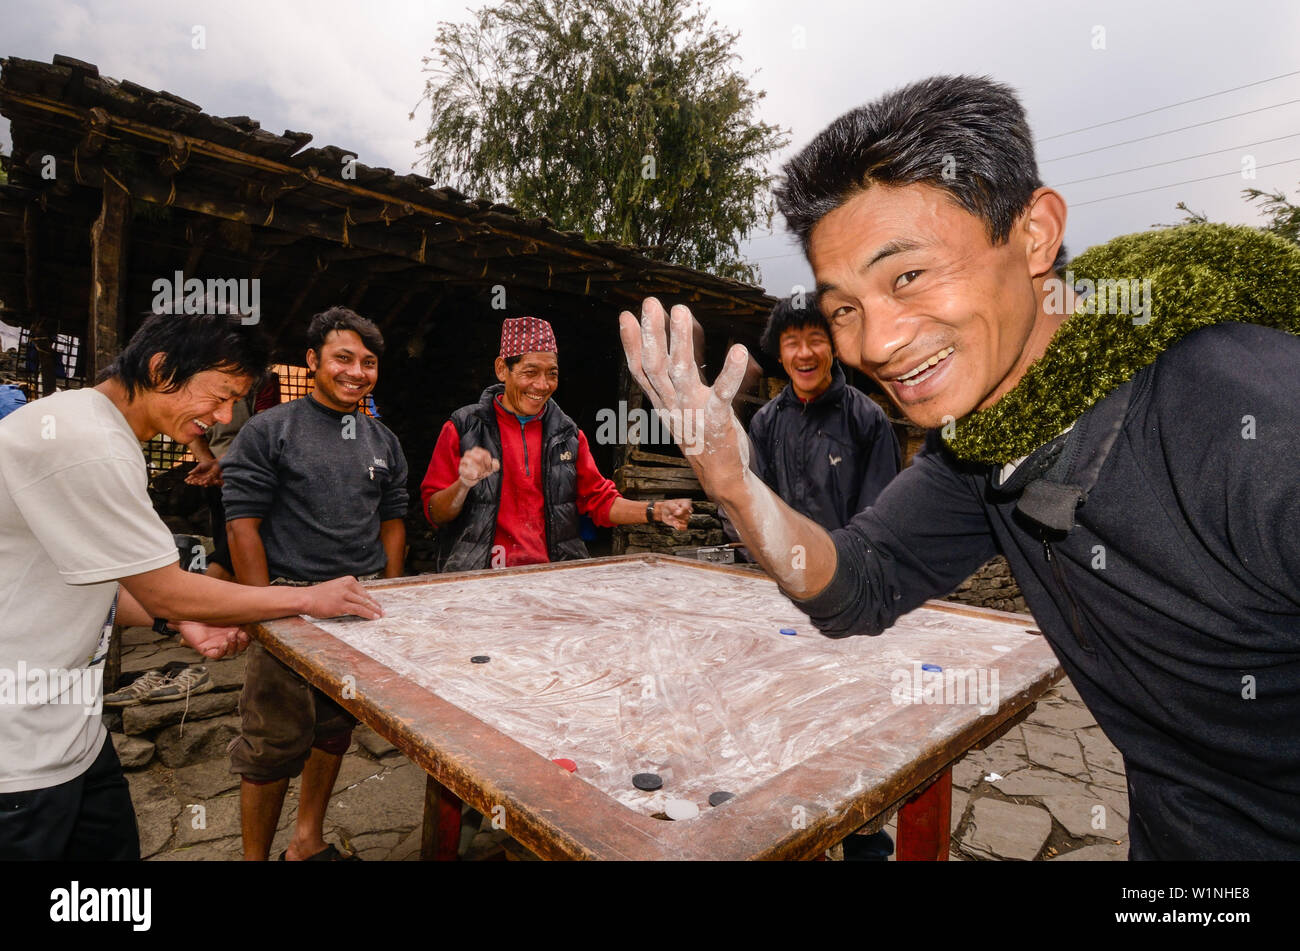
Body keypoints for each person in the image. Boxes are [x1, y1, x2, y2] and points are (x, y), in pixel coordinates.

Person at [619, 75, 1300, 860]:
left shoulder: (1250, 419)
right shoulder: (983, 445)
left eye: (907, 276)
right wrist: (737, 485)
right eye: (845, 306)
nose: (873, 343)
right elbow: (856, 582)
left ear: (1036, 232)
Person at [0, 311, 381, 861]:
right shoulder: (88, 443)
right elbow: (166, 586)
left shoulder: (97, 429)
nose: (225, 416)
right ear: (160, 369)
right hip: (17, 753)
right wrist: (305, 597)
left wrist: (173, 620)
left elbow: (93, 582)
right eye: (221, 396)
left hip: (70, 732)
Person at [223, 306, 408, 861]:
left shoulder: (384, 441)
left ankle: (307, 843)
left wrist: (390, 594)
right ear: (313, 361)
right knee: (271, 746)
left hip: (356, 611)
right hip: (287, 606)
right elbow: (241, 525)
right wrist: (263, 616)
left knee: (333, 731)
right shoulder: (269, 430)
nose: (357, 372)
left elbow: (393, 522)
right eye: (343, 358)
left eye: (368, 362)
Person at [728, 297, 901, 860]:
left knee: (854, 748)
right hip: (782, 612)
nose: (804, 353)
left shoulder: (865, 420)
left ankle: (863, 843)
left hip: (851, 612)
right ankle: (792, 838)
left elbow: (879, 526)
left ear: (834, 345)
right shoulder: (766, 422)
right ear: (779, 353)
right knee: (783, 737)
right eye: (791, 342)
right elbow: (757, 512)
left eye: (815, 339)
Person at [422, 315, 692, 571]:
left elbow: (600, 500)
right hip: (482, 581)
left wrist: (655, 510)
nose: (542, 385)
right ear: (502, 369)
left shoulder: (567, 435)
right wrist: (464, 484)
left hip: (552, 579)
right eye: (531, 372)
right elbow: (436, 513)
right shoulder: (464, 428)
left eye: (551, 373)